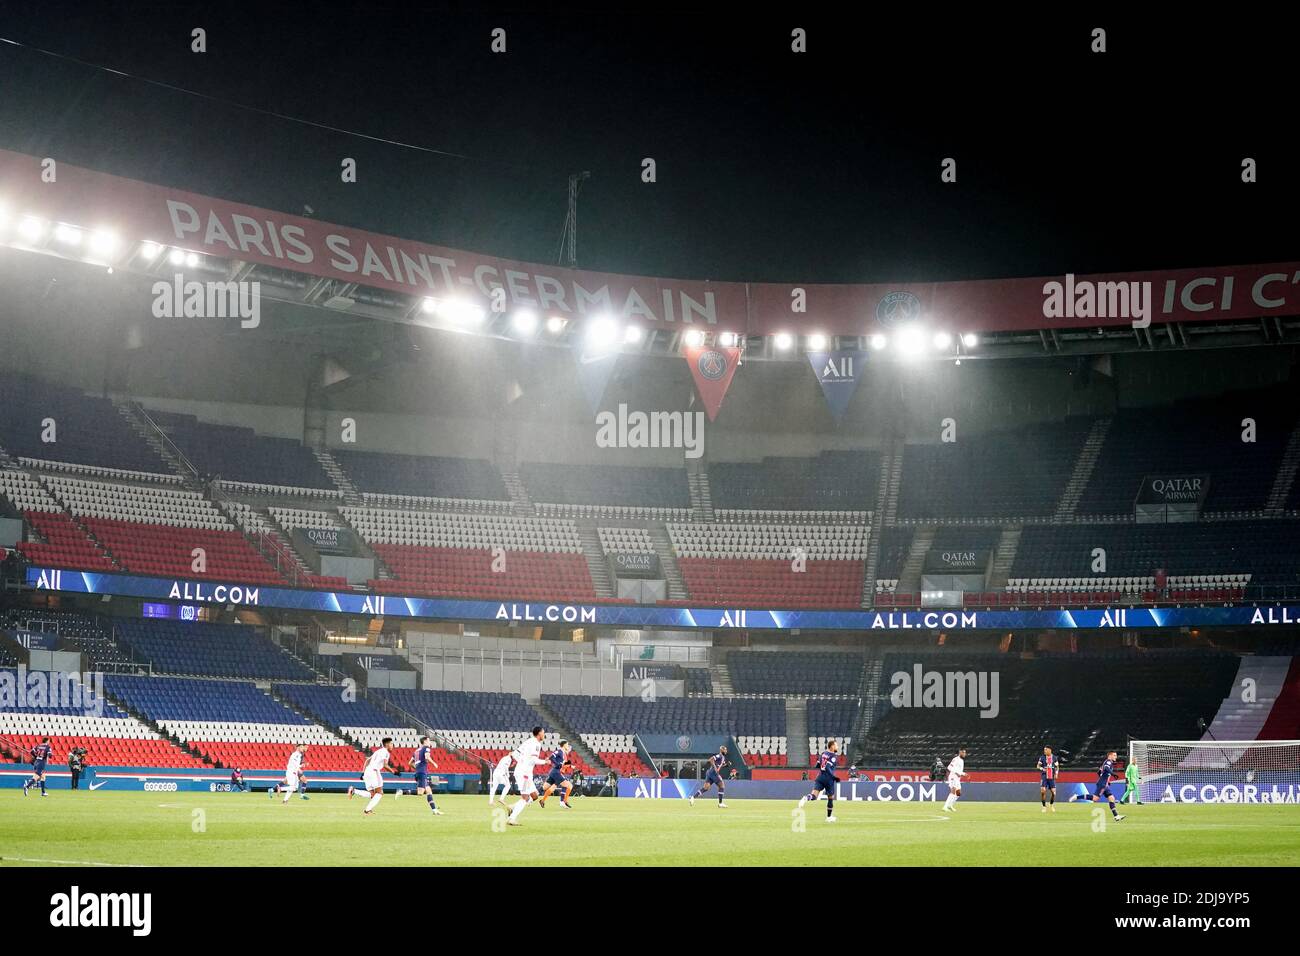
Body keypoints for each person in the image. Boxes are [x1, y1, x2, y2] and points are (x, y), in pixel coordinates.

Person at [349, 738, 400, 815]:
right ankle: (367, 810)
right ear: (387, 744)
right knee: (379, 793)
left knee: (372, 794)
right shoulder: (386, 752)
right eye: (391, 744)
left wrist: (363, 773)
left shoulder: (378, 751)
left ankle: (354, 791)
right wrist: (394, 772)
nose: (393, 745)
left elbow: (367, 760)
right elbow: (385, 765)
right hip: (374, 771)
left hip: (367, 771)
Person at [507, 726, 546, 826]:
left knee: (534, 796)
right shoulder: (536, 744)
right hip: (524, 774)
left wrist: (521, 761)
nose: (544, 734)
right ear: (539, 734)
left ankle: (513, 807)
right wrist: (545, 761)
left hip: (524, 772)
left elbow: (515, 754)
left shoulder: (528, 741)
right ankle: (511, 818)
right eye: (543, 732)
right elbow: (534, 760)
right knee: (525, 797)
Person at [797, 738, 842, 822]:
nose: (837, 747)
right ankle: (828, 817)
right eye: (836, 745)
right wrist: (834, 777)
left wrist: (822, 767)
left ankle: (806, 798)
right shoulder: (833, 756)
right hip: (828, 779)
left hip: (820, 777)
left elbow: (817, 765)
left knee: (814, 796)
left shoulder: (823, 753)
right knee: (830, 798)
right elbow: (828, 767)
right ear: (832, 746)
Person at [409, 735, 444, 815]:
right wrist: (434, 763)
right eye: (428, 740)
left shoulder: (416, 751)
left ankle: (434, 810)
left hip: (419, 772)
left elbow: (410, 763)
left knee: (429, 791)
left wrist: (417, 768)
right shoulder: (426, 748)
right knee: (420, 793)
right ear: (424, 741)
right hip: (422, 772)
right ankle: (402, 792)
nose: (429, 742)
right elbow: (427, 757)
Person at [538, 740, 575, 809]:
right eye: (567, 744)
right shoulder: (560, 751)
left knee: (546, 787)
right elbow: (551, 757)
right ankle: (564, 801)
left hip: (556, 772)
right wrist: (556, 763)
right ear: (564, 745)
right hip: (556, 772)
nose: (568, 746)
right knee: (569, 785)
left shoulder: (564, 754)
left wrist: (570, 766)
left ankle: (539, 800)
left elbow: (564, 764)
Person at [1093, 750, 1126, 822]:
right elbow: (1106, 768)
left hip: (1104, 783)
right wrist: (1113, 774)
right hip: (1102, 784)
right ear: (1110, 756)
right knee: (1095, 799)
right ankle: (1077, 796)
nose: (1116, 757)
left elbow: (1099, 772)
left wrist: (1105, 780)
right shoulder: (1108, 762)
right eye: (1114, 755)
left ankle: (1116, 816)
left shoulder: (1106, 762)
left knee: (1111, 798)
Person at [942, 748, 968, 813]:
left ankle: (950, 806)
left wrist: (964, 774)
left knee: (958, 793)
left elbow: (959, 771)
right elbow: (949, 767)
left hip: (957, 779)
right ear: (960, 752)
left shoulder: (962, 761)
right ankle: (945, 807)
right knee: (953, 792)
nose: (965, 754)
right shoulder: (956, 759)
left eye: (965, 752)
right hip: (953, 777)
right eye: (964, 752)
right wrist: (956, 772)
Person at [1036, 746, 1058, 813]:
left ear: (1049, 750)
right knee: (1043, 791)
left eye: (1046, 750)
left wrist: (1056, 773)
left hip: (1051, 777)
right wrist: (1042, 769)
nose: (1044, 751)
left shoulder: (1054, 758)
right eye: (1044, 750)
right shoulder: (1042, 757)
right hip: (1044, 776)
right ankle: (1044, 806)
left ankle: (1051, 805)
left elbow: (1057, 766)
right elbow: (1038, 766)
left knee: (1054, 793)